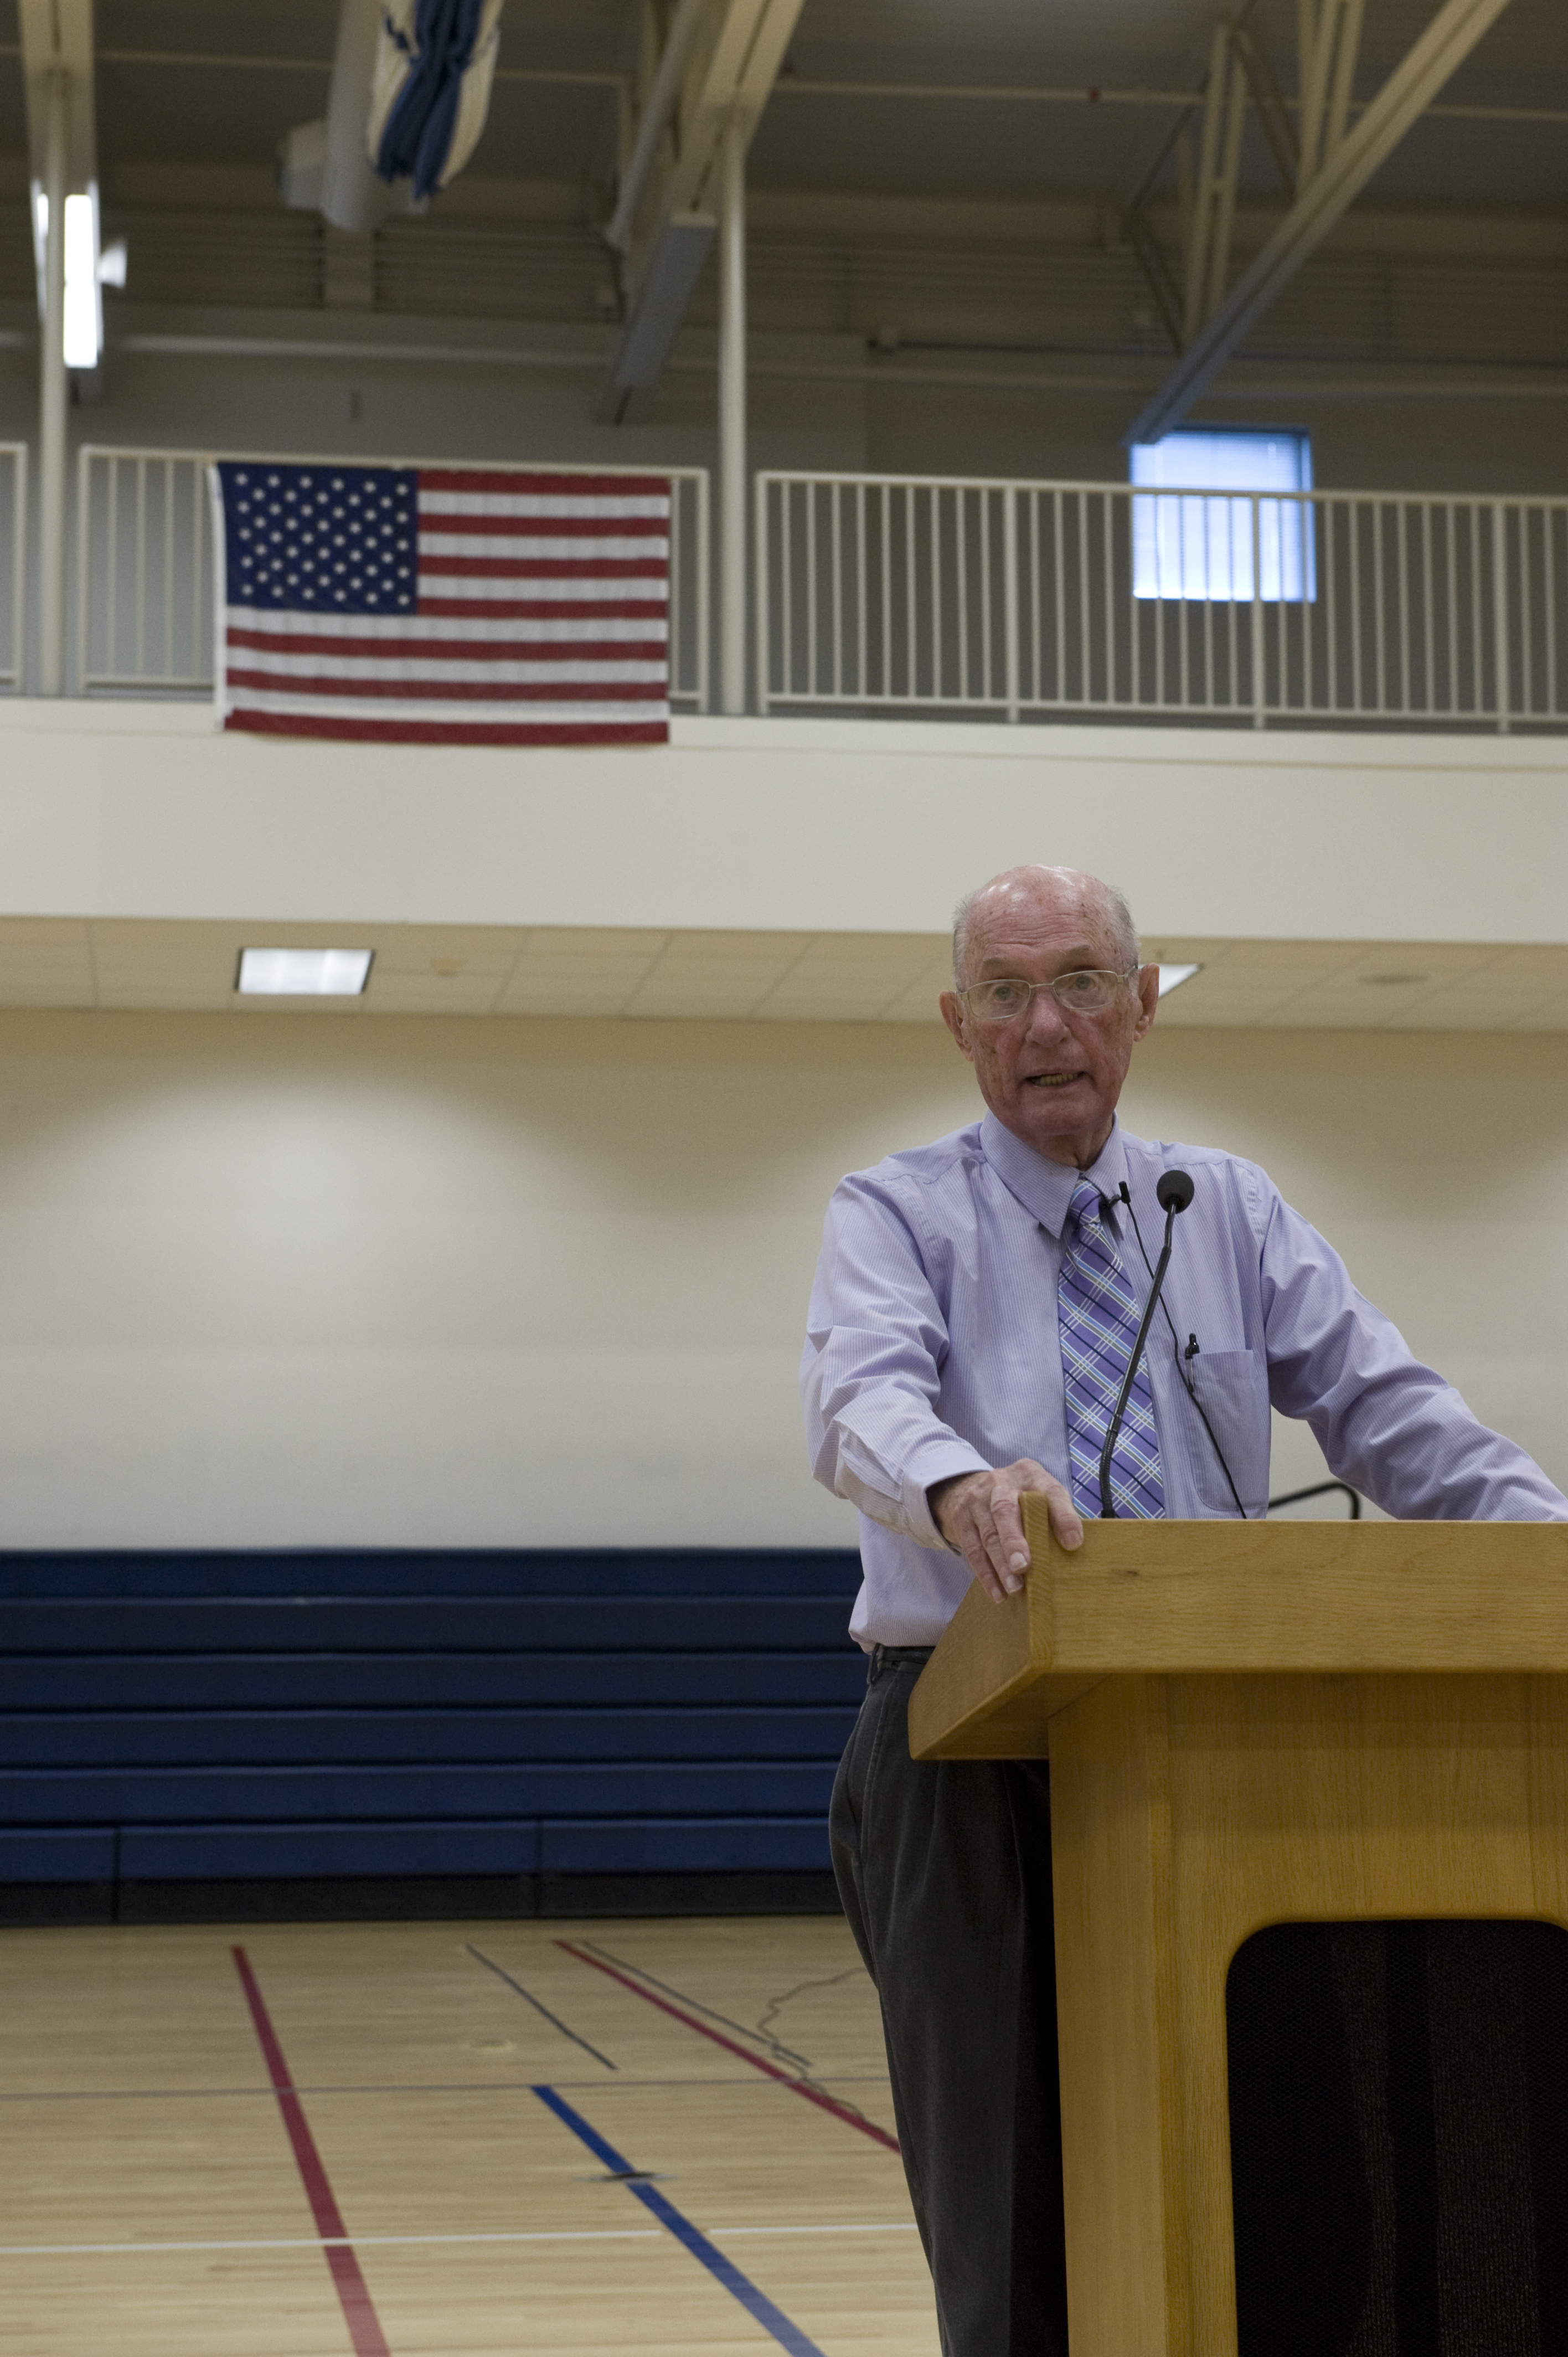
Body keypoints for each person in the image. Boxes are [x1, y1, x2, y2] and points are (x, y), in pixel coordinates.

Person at [801, 862, 1568, 2357]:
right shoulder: (896, 1213)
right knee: (1014, 2222)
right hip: (969, 1760)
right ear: (961, 1024)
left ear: (1143, 1006)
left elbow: (1388, 1410)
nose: (1049, 1023)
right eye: (1011, 993)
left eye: (1084, 981)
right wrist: (963, 1490)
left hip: (1229, 1758)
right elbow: (857, 1403)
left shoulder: (1223, 1208)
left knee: (1290, 2191)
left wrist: (1546, 1551)